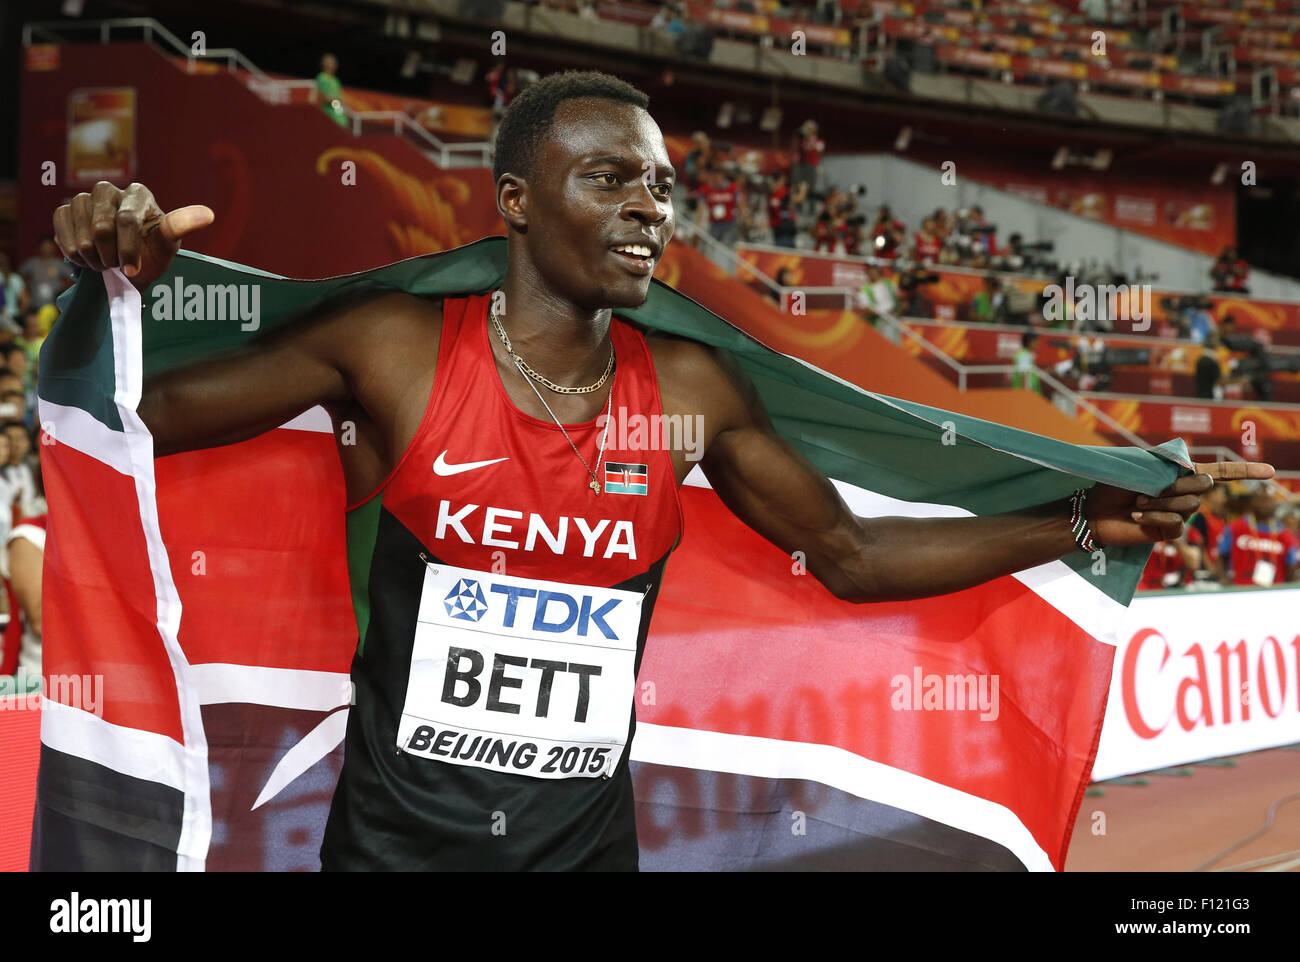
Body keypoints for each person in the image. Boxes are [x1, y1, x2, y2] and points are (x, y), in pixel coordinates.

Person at [53, 70, 1264, 871]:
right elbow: (136, 418)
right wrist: (115, 280)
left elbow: (847, 553)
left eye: (664, 188)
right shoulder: (397, 354)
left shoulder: (685, 396)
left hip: (589, 856)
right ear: (517, 202)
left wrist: (1076, 520)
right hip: (388, 856)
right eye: (612, 180)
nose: (651, 211)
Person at [1217, 483, 1291, 586]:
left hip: (1274, 591)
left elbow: (1291, 567)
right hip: (1240, 589)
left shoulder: (1285, 535)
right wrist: (1224, 580)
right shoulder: (1234, 528)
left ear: (1274, 503)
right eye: (1260, 500)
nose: (1263, 504)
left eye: (1267, 500)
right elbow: (1221, 557)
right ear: (1251, 502)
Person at [19, 236, 74, 310]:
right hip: (35, 304)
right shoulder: (32, 263)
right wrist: (26, 288)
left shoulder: (58, 263)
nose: (46, 249)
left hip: (54, 305)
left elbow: (72, 276)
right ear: (39, 248)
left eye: (49, 246)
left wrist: (63, 287)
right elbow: (19, 274)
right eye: (44, 246)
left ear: (53, 248)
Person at [316, 53, 348, 129]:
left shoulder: (336, 81)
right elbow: (324, 97)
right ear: (324, 63)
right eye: (329, 62)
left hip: (340, 117)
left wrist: (341, 110)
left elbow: (339, 98)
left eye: (333, 62)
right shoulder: (322, 77)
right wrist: (337, 103)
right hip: (329, 116)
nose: (332, 64)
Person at [0, 253, 28, 332]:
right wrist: (19, 315)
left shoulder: (14, 278)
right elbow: (25, 301)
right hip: (12, 315)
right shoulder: (15, 278)